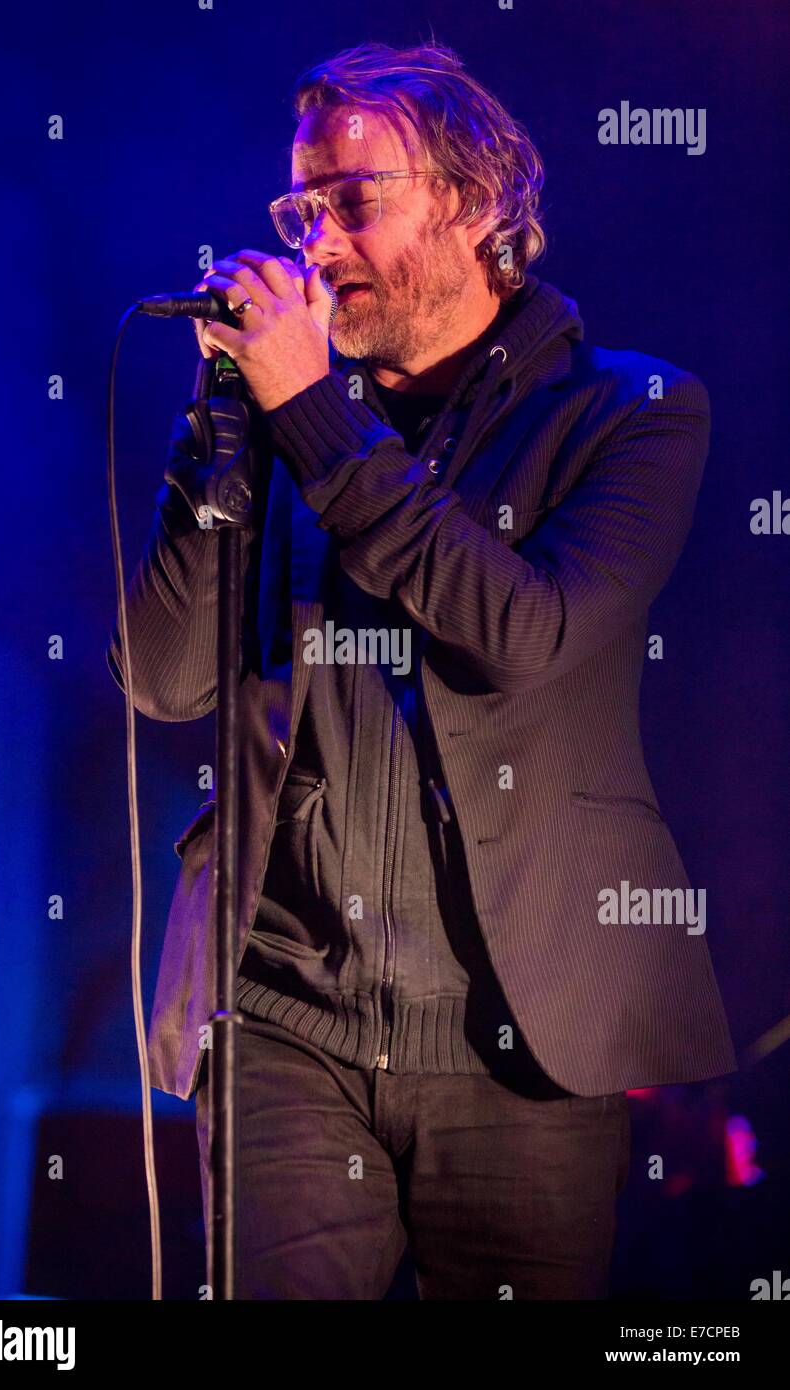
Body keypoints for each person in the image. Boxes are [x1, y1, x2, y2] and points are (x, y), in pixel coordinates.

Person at [107, 40, 737, 1300]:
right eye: (301, 206)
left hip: (519, 1034)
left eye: (354, 199)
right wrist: (221, 432)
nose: (314, 241)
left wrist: (310, 420)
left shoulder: (631, 412)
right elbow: (165, 681)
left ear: (473, 202)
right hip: (285, 1018)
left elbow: (522, 634)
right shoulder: (286, 421)